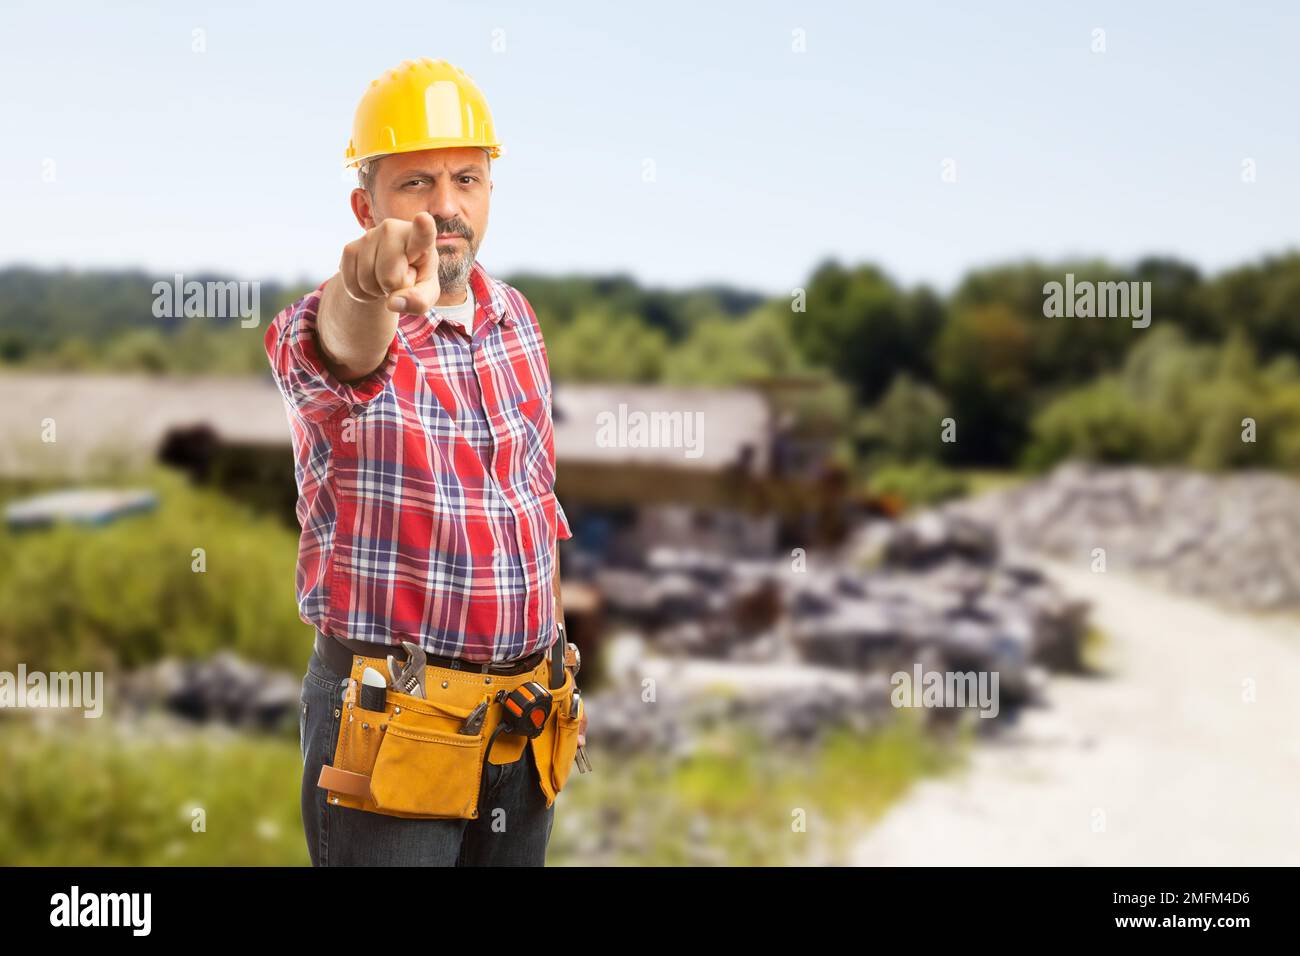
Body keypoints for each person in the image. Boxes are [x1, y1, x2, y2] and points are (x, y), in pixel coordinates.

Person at [264, 58, 582, 866]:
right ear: (364, 205)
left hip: (521, 722)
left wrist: (552, 654)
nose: (447, 205)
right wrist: (367, 287)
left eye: (467, 178)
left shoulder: (517, 320)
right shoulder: (335, 324)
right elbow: (342, 348)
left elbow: (534, 501)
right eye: (415, 184)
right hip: (393, 723)